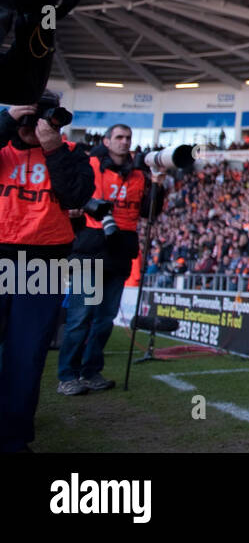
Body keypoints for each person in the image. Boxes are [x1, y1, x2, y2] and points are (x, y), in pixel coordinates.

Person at [0, 98, 94, 452]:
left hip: (45, 262)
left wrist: (53, 150)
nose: (33, 124)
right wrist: (6, 120)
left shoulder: (72, 154)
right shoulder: (3, 146)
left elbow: (77, 194)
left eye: (42, 117)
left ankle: (12, 439)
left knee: (26, 356)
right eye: (28, 115)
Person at [57, 123, 165, 394]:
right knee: (80, 317)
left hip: (120, 252)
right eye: (118, 137)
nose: (124, 141)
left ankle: (91, 371)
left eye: (128, 138)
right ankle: (67, 375)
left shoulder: (140, 172)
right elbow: (70, 192)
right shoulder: (90, 163)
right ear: (106, 141)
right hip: (89, 250)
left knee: (105, 320)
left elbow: (149, 212)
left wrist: (158, 183)